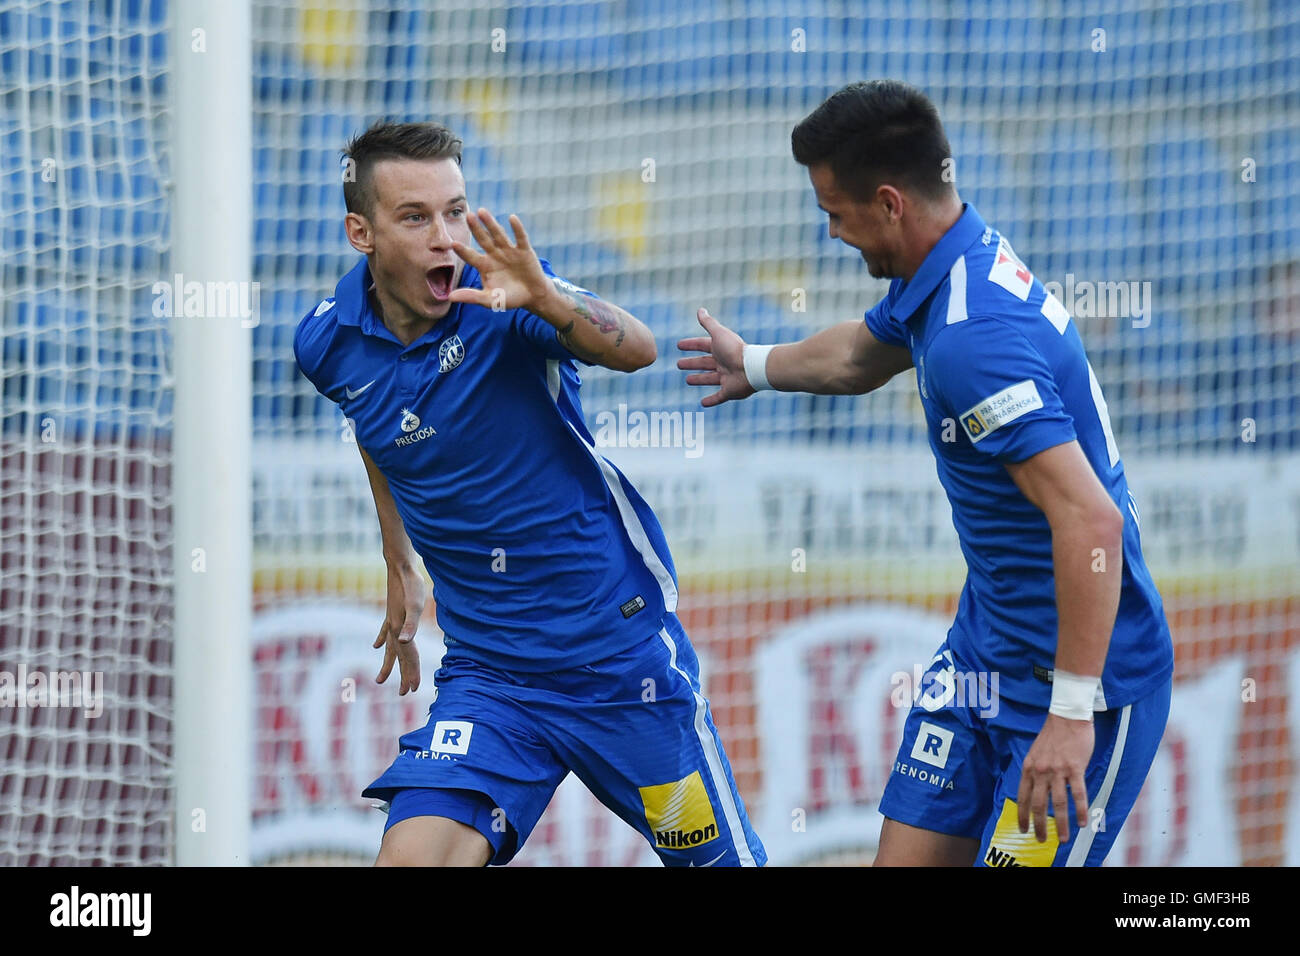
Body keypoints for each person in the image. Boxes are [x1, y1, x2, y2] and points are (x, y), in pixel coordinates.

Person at [677, 80, 1174, 867]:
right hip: (984, 657)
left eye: (835, 213)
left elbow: (1091, 521)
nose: (832, 232)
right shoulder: (946, 267)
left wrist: (1072, 715)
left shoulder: (973, 340)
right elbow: (856, 356)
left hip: (1082, 685)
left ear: (888, 203)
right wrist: (757, 366)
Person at [294, 120, 765, 867]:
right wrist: (398, 560)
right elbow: (376, 423)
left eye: (455, 210)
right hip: (491, 678)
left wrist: (544, 297)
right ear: (362, 233)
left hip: (617, 661)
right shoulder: (326, 344)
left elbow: (636, 349)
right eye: (415, 218)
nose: (445, 236)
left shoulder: (509, 298)